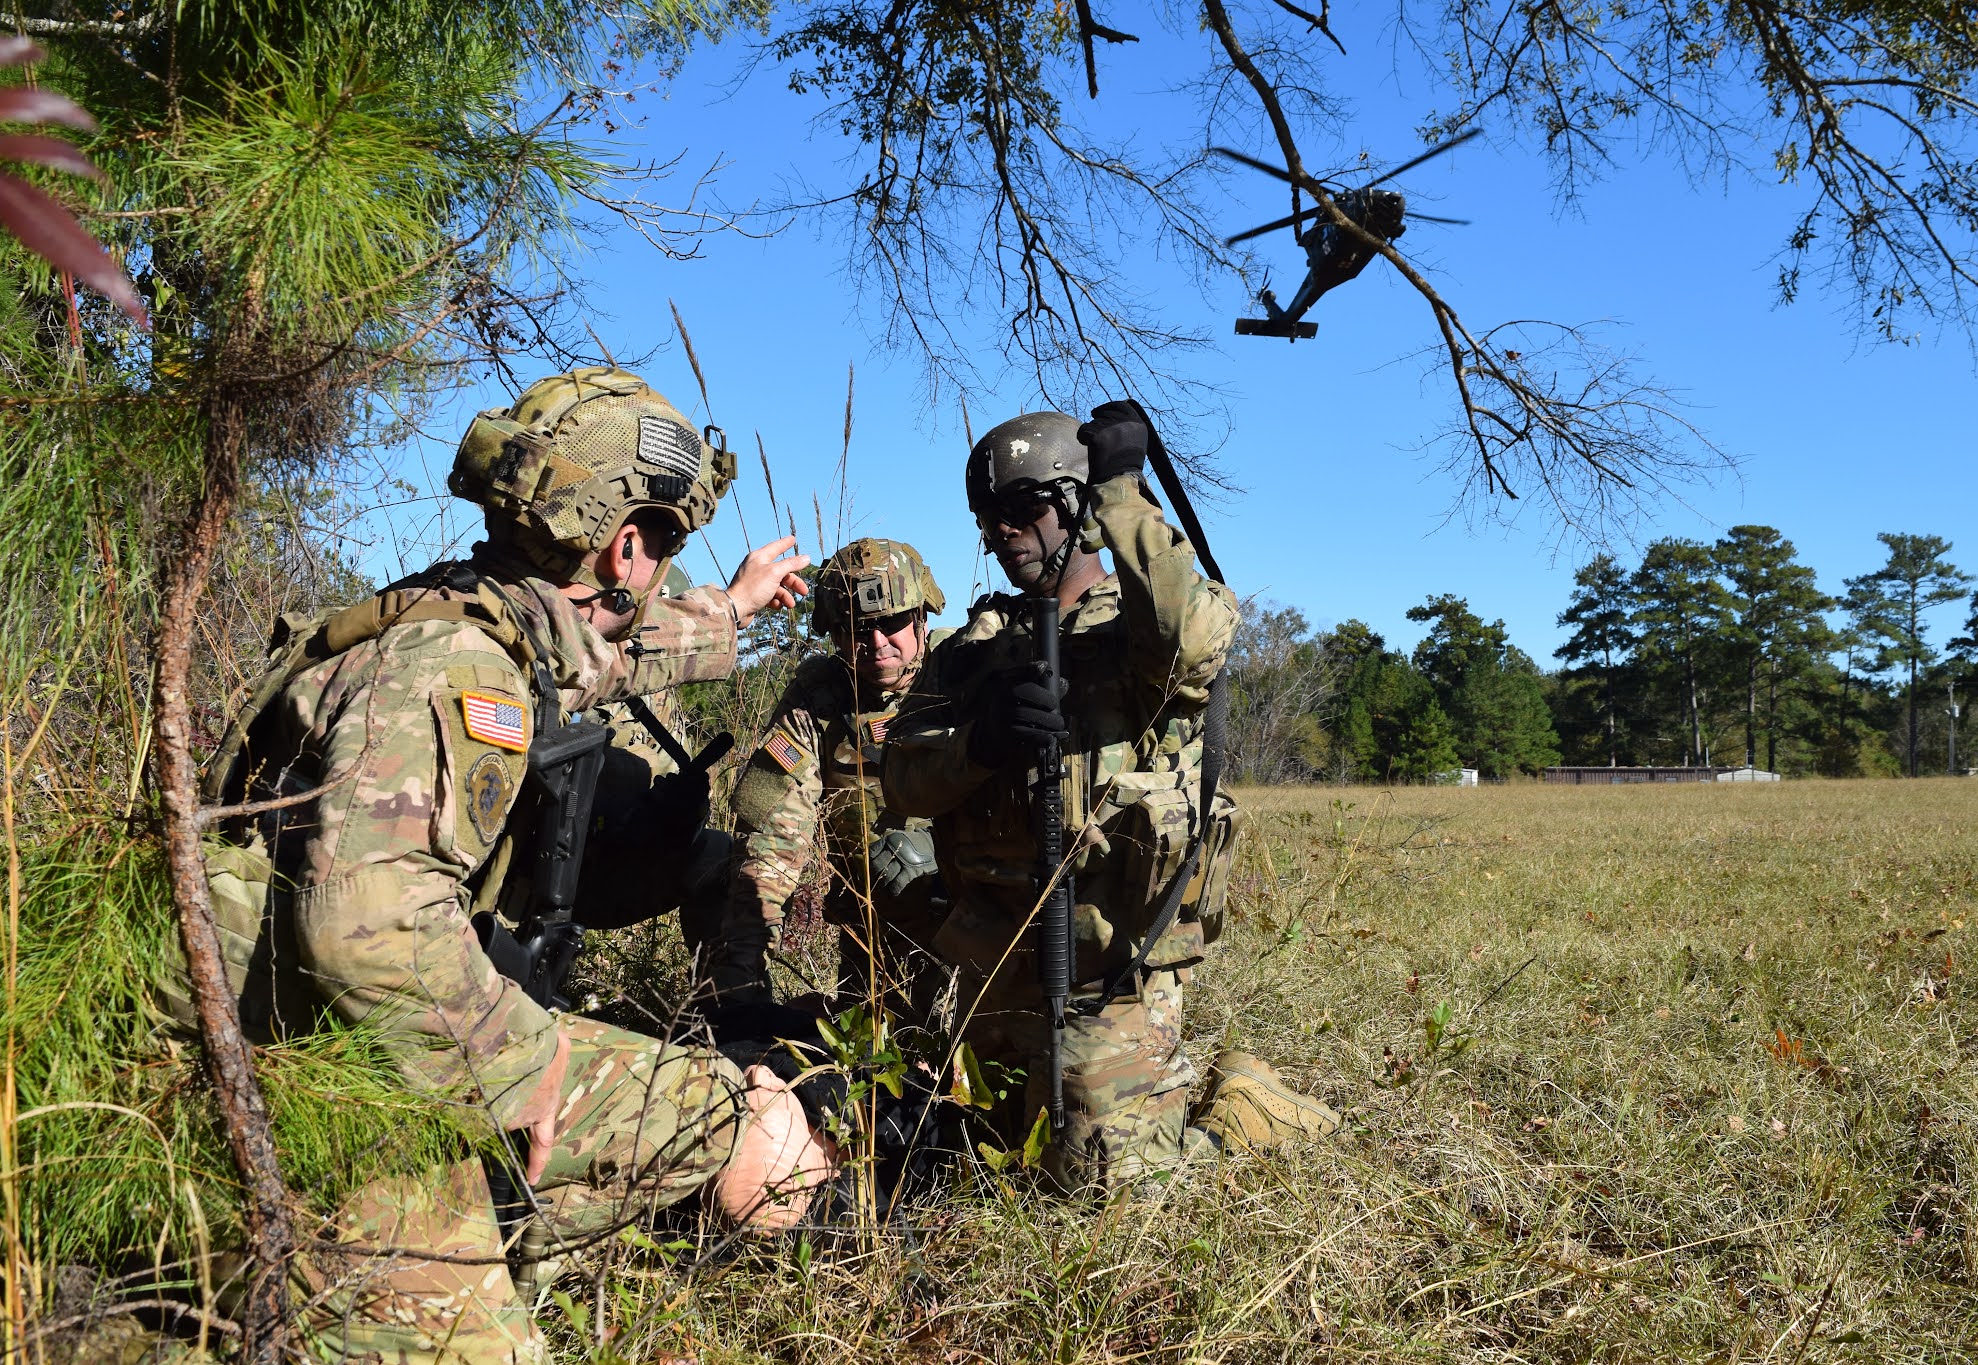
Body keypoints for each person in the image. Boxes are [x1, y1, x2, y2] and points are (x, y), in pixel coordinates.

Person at [198, 367, 838, 1362]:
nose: (663, 569)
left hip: (282, 1043)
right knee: (754, 1126)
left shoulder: (452, 611)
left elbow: (605, 649)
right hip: (320, 1095)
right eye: (666, 542)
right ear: (628, 544)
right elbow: (365, 926)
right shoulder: (460, 669)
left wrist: (731, 612)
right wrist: (520, 1066)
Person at [882, 402, 1338, 1195]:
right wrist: (979, 741)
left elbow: (1194, 641)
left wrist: (1124, 491)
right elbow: (901, 777)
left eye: (1025, 509)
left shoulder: (1145, 630)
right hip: (997, 965)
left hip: (1114, 968)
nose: (1002, 532)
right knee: (979, 1163)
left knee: (1102, 1188)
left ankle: (1248, 1108)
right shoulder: (974, 652)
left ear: (1075, 508)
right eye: (988, 517)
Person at [709, 538, 951, 1021]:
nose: (877, 642)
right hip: (871, 926)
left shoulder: (963, 670)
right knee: (870, 1071)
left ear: (921, 616)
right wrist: (741, 969)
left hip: (976, 925)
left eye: (890, 623)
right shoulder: (822, 694)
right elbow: (773, 832)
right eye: (856, 628)